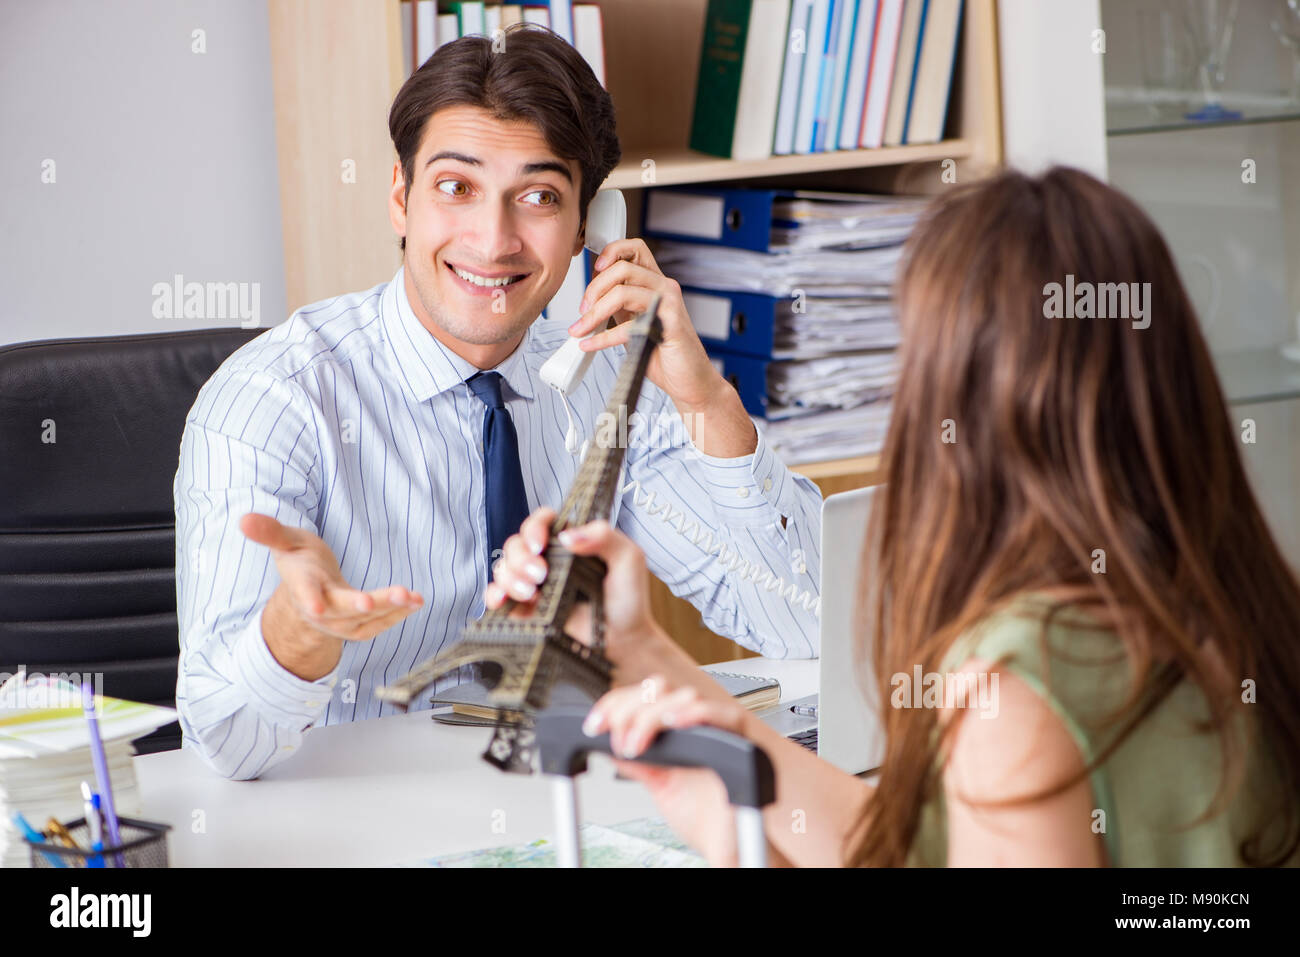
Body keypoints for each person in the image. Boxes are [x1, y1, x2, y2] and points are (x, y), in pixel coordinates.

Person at [492, 167, 1300, 867]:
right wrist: (665, 674)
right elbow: (923, 846)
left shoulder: (1017, 683)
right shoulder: (1232, 597)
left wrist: (724, 820)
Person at [173, 26, 821, 781]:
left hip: (561, 809)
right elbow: (223, 741)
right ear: (400, 199)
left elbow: (803, 622)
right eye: (457, 187)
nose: (494, 238)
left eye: (539, 197)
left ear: (589, 228)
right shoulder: (272, 402)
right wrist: (298, 634)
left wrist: (707, 401)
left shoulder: (606, 386)